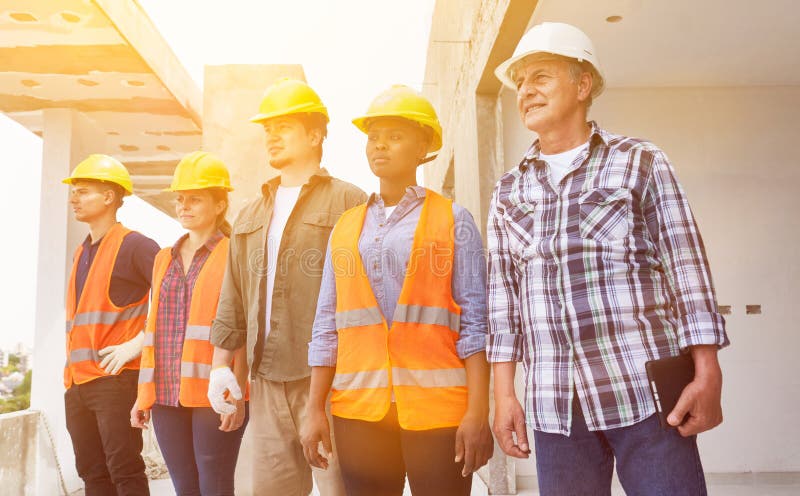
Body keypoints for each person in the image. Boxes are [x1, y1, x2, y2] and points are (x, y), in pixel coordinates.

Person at [487, 22, 730, 495]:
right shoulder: (508, 191)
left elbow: (687, 268)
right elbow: (504, 301)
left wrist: (707, 370)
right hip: (556, 405)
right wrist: (503, 394)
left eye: (541, 76)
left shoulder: (640, 161)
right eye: (520, 83)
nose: (526, 91)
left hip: (645, 391)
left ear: (583, 85)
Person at [301, 85, 493, 496]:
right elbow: (326, 325)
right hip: (359, 411)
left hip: (438, 411)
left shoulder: (454, 219)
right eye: (373, 138)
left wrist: (479, 410)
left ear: (424, 145)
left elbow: (477, 323)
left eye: (395, 136)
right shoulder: (346, 227)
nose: (380, 146)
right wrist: (314, 407)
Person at [207, 78, 366, 495]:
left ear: (315, 134)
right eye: (267, 129)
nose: (272, 136)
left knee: (342, 490)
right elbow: (234, 294)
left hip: (331, 382)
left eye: (284, 126)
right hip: (266, 381)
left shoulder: (350, 202)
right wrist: (221, 366)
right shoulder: (251, 212)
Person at [129, 151, 249, 495]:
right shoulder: (162, 258)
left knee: (214, 486)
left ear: (220, 204)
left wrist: (238, 392)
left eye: (195, 199)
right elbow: (153, 330)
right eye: (180, 199)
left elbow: (242, 327)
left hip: (215, 393)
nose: (184, 206)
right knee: (185, 489)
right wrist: (143, 396)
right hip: (167, 394)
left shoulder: (235, 253)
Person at [63, 154, 159, 495]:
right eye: (74, 191)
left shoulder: (135, 246)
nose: (74, 198)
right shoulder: (82, 251)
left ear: (109, 197)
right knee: (92, 474)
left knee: (125, 472)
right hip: (78, 383)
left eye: (83, 191)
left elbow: (177, 295)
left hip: (115, 381)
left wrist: (138, 344)